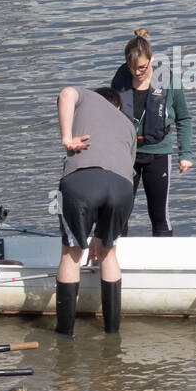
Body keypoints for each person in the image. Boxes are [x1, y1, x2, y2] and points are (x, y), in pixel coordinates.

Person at [56, 85, 136, 335]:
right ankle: (112, 332)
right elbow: (127, 173)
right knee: (108, 252)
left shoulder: (87, 96)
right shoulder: (129, 126)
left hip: (82, 182)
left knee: (72, 253)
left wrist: (67, 138)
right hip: (122, 189)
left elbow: (66, 93)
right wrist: (100, 236)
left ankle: (65, 334)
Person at [110, 28, 193, 236]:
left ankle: (165, 261)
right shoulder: (120, 80)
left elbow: (184, 118)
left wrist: (185, 155)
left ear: (152, 59)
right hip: (127, 155)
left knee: (159, 215)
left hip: (158, 153)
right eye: (131, 68)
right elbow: (109, 118)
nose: (136, 73)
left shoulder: (170, 81)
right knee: (119, 213)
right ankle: (114, 260)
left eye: (141, 67)